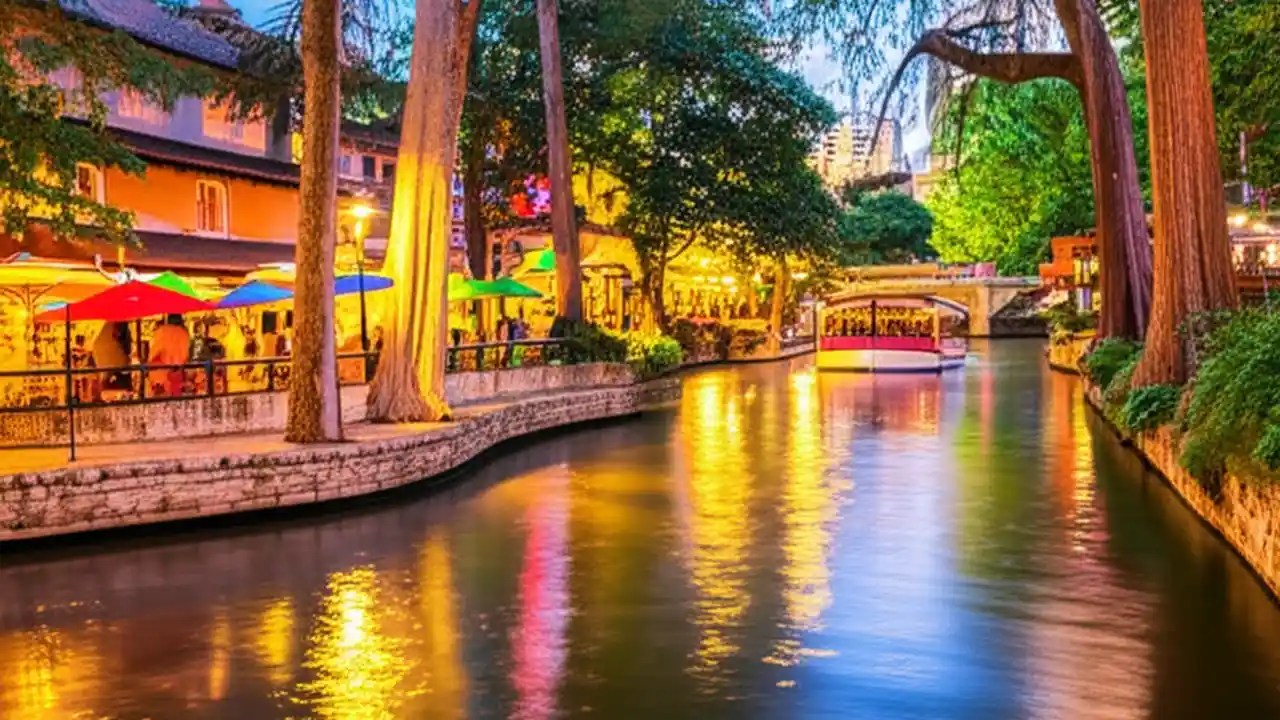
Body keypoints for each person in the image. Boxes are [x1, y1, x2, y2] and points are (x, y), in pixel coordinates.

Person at [149, 314, 190, 397]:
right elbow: (186, 355)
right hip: (178, 371)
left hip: (162, 374)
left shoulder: (162, 332)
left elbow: (154, 353)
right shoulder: (184, 333)